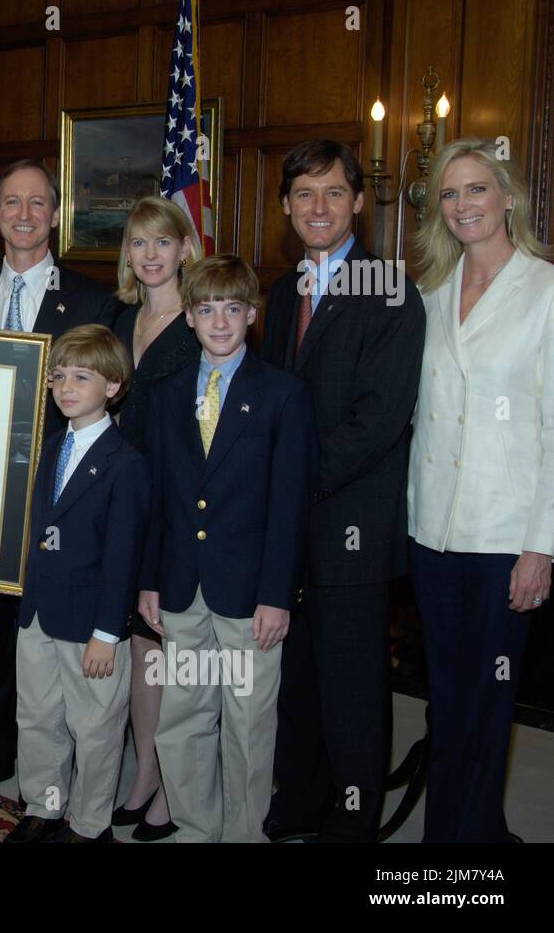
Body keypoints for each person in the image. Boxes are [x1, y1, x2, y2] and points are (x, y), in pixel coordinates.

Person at [261, 139, 426, 842]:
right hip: (289, 527)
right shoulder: (280, 291)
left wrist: (290, 482)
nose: (317, 207)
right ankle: (299, 800)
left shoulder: (389, 288)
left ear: (359, 200)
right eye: (303, 194)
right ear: (287, 207)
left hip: (350, 525)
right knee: (295, 679)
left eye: (332, 192)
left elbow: (379, 420)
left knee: (352, 686)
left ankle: (352, 824)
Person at [0, 159, 119, 798]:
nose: (24, 215)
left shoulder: (96, 301)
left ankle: (63, 766)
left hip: (63, 501)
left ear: (55, 214)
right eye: (11, 203)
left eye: (37, 203)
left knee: (56, 638)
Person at [407, 138, 553, 842]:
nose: (462, 205)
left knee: (490, 702)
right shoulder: (432, 290)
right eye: (449, 193)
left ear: (508, 197)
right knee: (448, 700)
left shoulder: (546, 290)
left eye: (477, 190)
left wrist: (541, 547)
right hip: (433, 534)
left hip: (504, 539)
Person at [140, 255, 316, 842]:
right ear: (188, 316)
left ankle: (244, 833)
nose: (220, 322)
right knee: (183, 717)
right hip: (183, 586)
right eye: (207, 309)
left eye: (233, 309)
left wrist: (277, 596)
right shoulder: (165, 395)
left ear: (252, 315)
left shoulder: (282, 395)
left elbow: (290, 507)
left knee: (246, 724)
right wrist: (148, 580)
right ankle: (195, 827)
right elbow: (158, 497)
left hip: (249, 596)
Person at [2, 324, 151, 843]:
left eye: (82, 377)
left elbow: (124, 557)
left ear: (112, 386)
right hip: (38, 612)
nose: (66, 387)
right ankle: (44, 806)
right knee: (37, 715)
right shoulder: (45, 448)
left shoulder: (125, 464)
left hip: (91, 623)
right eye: (59, 375)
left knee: (94, 729)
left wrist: (109, 633)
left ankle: (90, 825)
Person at [110, 195, 202, 840]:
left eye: (162, 242)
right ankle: (144, 770)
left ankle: (173, 783)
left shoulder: (201, 323)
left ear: (183, 249)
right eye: (139, 243)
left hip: (177, 504)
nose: (150, 255)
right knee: (140, 643)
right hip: (123, 501)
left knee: (172, 644)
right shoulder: (119, 319)